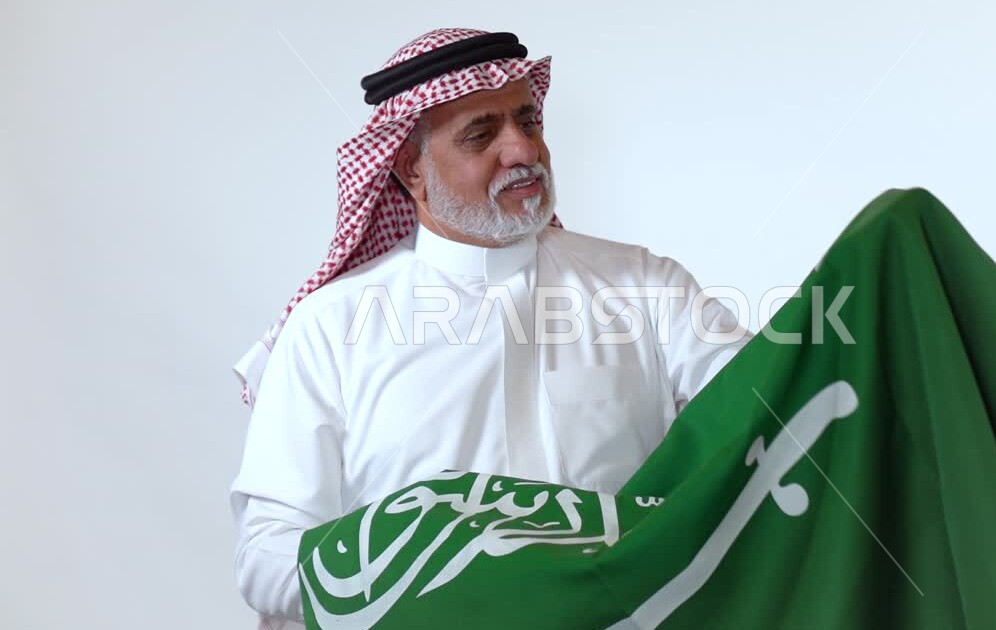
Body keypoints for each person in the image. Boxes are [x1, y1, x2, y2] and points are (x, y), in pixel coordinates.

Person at [229, 27, 750, 627]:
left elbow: (769, 410)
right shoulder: (328, 329)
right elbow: (266, 557)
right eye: (482, 134)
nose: (522, 151)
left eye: (527, 122)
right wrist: (434, 569)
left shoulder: (645, 284)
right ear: (410, 170)